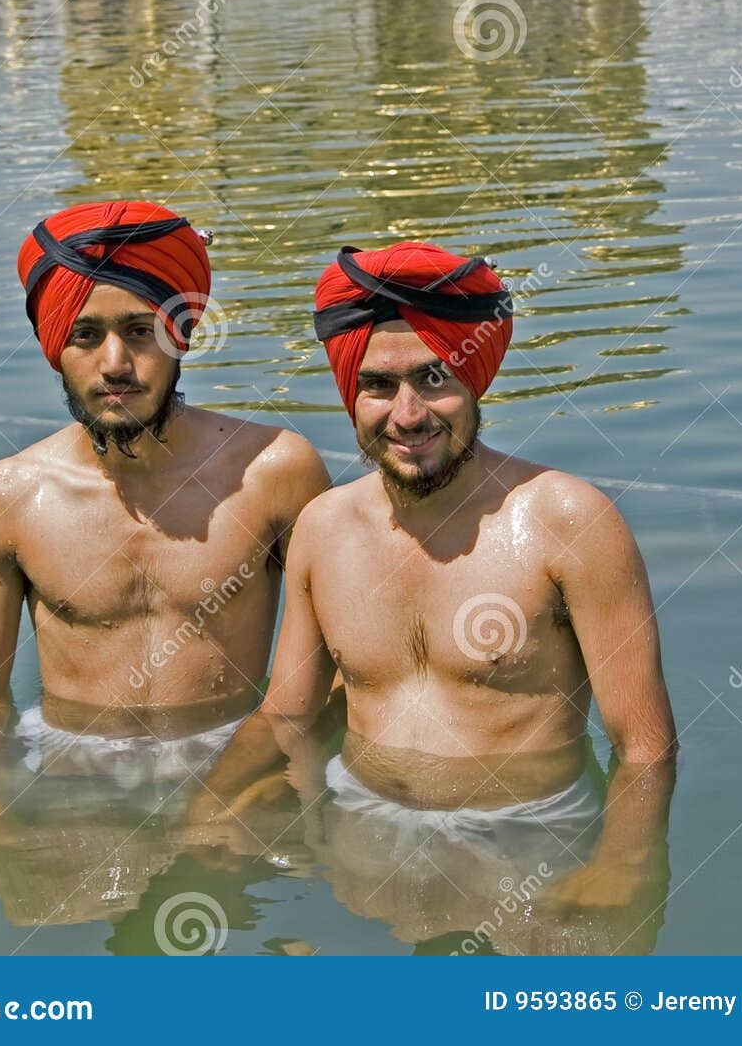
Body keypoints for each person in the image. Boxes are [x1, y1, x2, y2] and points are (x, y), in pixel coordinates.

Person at [209, 241, 677, 912]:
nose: (407, 414)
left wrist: (625, 868)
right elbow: (288, 712)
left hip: (529, 845)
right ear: (351, 391)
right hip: (362, 841)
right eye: (378, 385)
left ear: (474, 380)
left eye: (434, 379)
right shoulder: (323, 527)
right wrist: (208, 807)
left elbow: (644, 748)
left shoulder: (568, 520)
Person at [0, 200, 330, 824]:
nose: (115, 364)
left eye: (139, 330)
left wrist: (296, 775)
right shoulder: (7, 498)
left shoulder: (275, 472)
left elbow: (338, 662)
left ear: (179, 335)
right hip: (75, 773)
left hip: (238, 763)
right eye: (87, 335)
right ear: (56, 347)